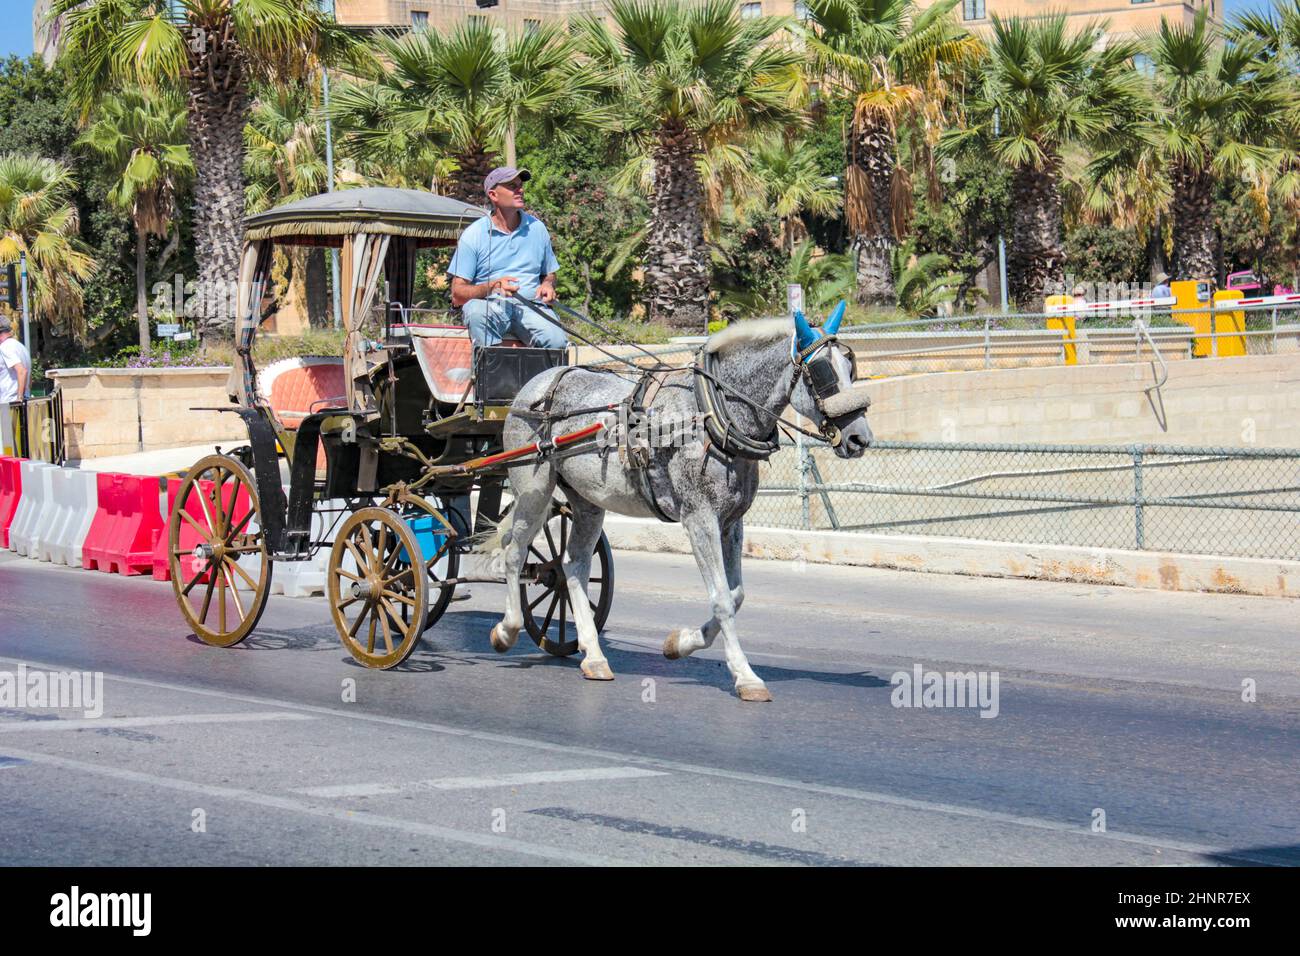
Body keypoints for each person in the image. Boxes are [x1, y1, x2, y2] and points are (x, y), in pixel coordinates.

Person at [448, 166, 568, 350]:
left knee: (557, 341)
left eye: (520, 185)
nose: (520, 189)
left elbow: (549, 274)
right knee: (477, 313)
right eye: (512, 186)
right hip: (490, 306)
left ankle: (543, 378)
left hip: (531, 307)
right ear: (493, 195)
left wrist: (548, 285)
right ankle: (491, 373)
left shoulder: (537, 229)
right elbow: (457, 294)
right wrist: (492, 286)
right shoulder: (474, 234)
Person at [0, 318, 31, 405]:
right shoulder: (21, 347)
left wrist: (19, 398)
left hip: (9, 402)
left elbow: (22, 371)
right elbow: (29, 376)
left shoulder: (5, 347)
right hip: (24, 401)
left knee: (7, 419)